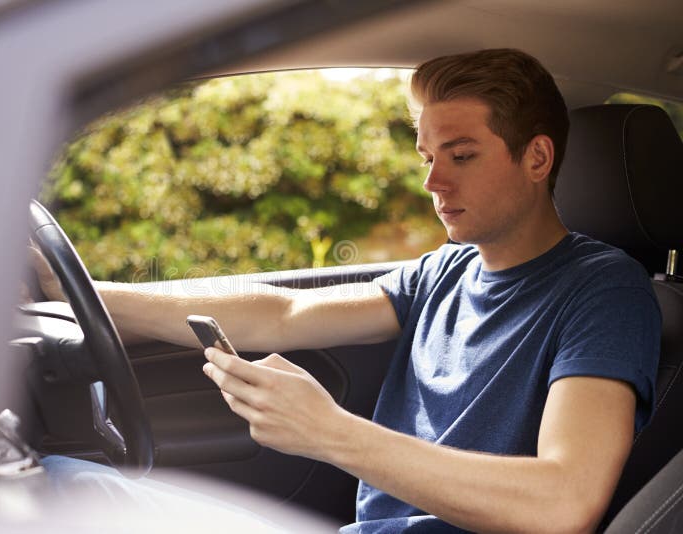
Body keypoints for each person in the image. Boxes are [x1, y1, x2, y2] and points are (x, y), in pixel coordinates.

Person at [35, 49, 661, 532]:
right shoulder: (445, 271)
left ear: (537, 158)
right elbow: (284, 312)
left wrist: (329, 431)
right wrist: (74, 293)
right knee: (58, 483)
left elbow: (564, 503)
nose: (433, 181)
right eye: (427, 156)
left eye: (461, 155)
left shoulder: (604, 291)